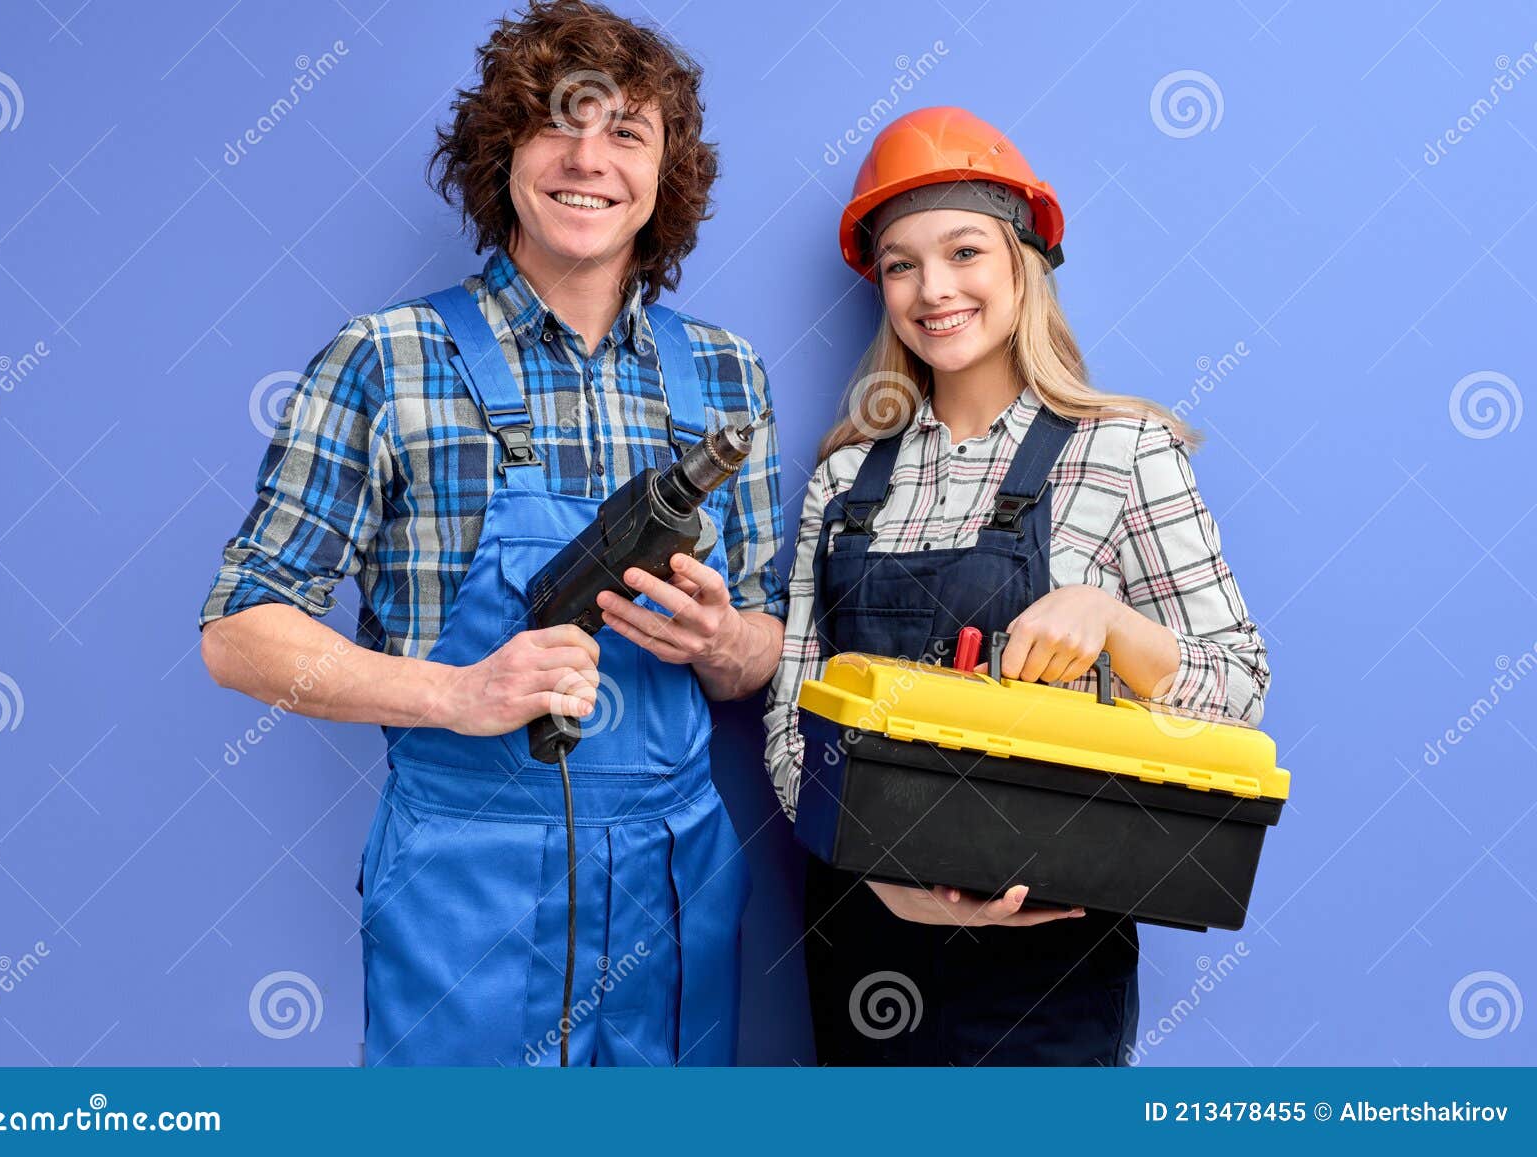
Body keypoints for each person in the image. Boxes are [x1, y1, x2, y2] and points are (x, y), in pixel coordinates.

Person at [199, 0, 786, 1066]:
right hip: (465, 871)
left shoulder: (726, 379)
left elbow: (756, 658)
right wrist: (457, 694)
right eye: (558, 120)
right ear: (503, 150)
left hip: (673, 873)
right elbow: (239, 630)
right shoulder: (388, 359)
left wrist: (726, 643)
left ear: (665, 173)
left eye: (626, 132)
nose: (587, 158)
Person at [762, 106, 1270, 1066]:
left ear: (1022, 263)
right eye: (901, 263)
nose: (932, 289)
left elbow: (1240, 689)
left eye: (963, 251)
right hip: (864, 940)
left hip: (1053, 958)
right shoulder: (846, 478)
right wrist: (879, 878)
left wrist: (1112, 620)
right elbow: (796, 724)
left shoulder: (1123, 450)